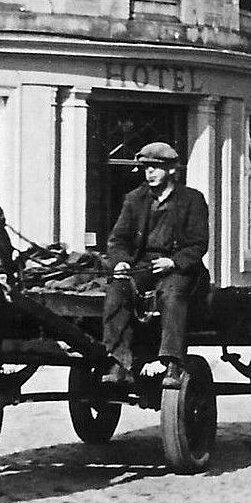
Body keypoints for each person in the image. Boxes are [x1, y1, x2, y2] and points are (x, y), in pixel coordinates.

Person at [100, 142, 209, 390]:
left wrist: (173, 261)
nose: (149, 172)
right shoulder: (134, 199)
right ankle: (120, 360)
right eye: (146, 167)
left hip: (181, 269)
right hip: (143, 267)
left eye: (155, 167)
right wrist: (120, 263)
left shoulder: (192, 200)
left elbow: (198, 243)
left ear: (172, 170)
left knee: (171, 294)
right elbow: (117, 240)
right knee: (118, 290)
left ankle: (172, 361)